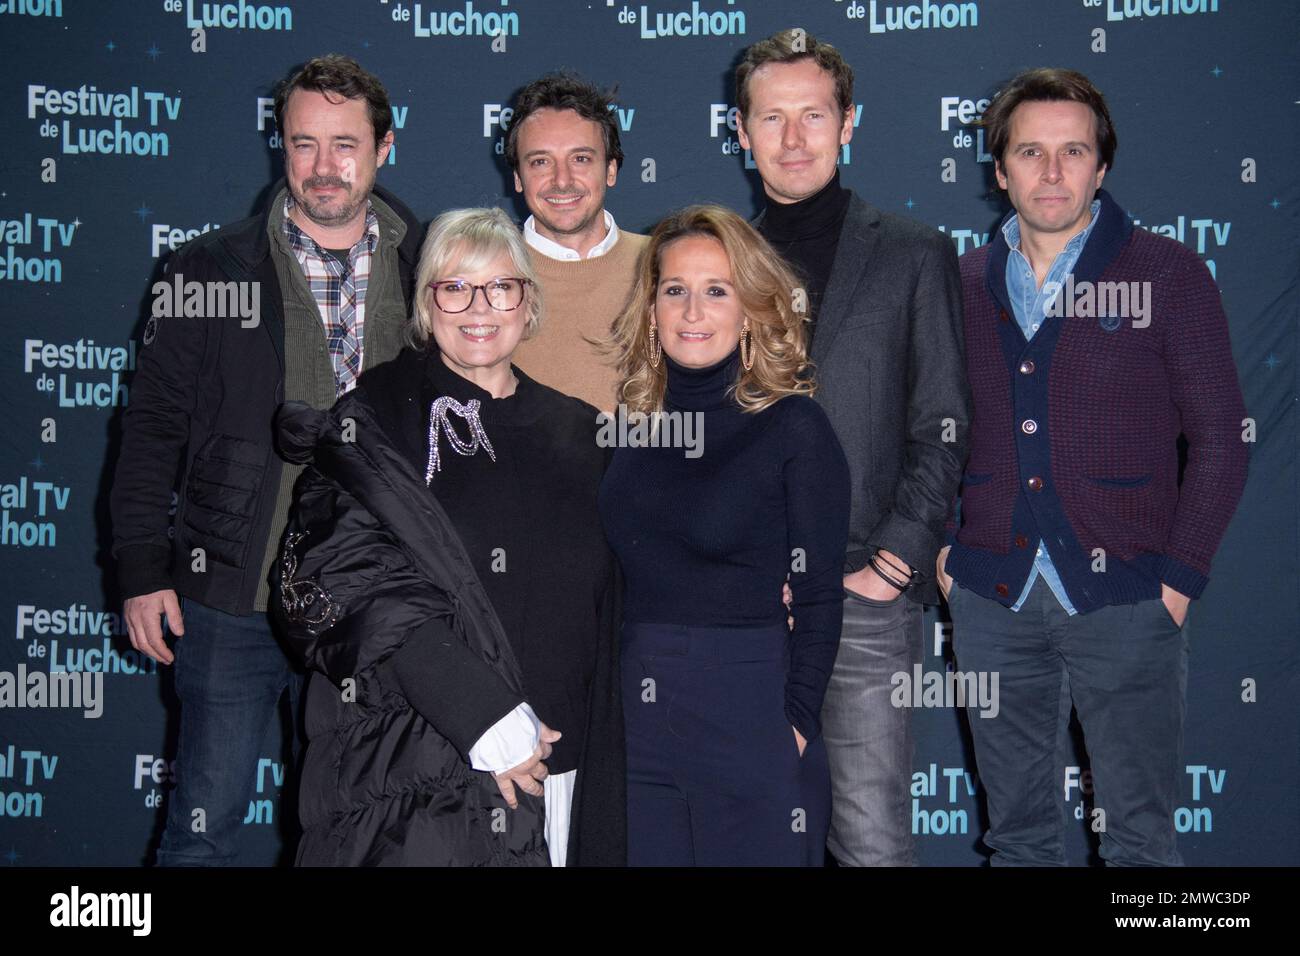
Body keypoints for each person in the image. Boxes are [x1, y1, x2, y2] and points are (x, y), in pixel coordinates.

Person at [110, 54, 421, 865]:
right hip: (231, 601)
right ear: (280, 146)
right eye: (304, 143)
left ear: (383, 147)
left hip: (374, 604)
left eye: (345, 144)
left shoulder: (432, 270)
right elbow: (150, 431)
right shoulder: (206, 271)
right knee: (203, 832)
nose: (324, 166)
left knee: (356, 830)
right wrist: (143, 568)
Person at [937, 68, 1249, 865]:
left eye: (1072, 151)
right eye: (1029, 152)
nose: (1051, 171)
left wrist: (1177, 581)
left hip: (1129, 599)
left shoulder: (1169, 274)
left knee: (1141, 843)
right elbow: (929, 432)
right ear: (998, 168)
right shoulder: (962, 284)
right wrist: (946, 557)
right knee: (1017, 840)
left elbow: (1222, 437)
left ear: (1101, 166)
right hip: (991, 599)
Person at [274, 207, 624, 867]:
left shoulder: (585, 430)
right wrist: (480, 716)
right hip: (429, 766)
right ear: (426, 305)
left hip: (568, 761)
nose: (479, 307)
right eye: (454, 287)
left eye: (501, 286)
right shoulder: (373, 423)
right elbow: (344, 579)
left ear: (528, 303)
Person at [735, 30, 971, 866]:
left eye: (813, 115)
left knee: (870, 843)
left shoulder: (913, 254)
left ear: (848, 124)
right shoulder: (709, 256)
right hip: (736, 601)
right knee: (747, 836)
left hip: (864, 593)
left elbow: (944, 421)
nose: (793, 138)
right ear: (741, 130)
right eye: (772, 117)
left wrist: (896, 566)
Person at [601, 204, 850, 866]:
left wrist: (795, 723)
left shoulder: (794, 427)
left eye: (718, 291)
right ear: (651, 310)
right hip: (637, 722)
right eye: (675, 290)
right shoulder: (629, 429)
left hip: (751, 713)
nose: (692, 311)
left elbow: (821, 594)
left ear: (751, 310)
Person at [505, 72, 649, 411]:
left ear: (611, 170)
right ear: (517, 178)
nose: (562, 180)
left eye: (581, 159)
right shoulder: (483, 279)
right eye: (540, 161)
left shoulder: (663, 265)